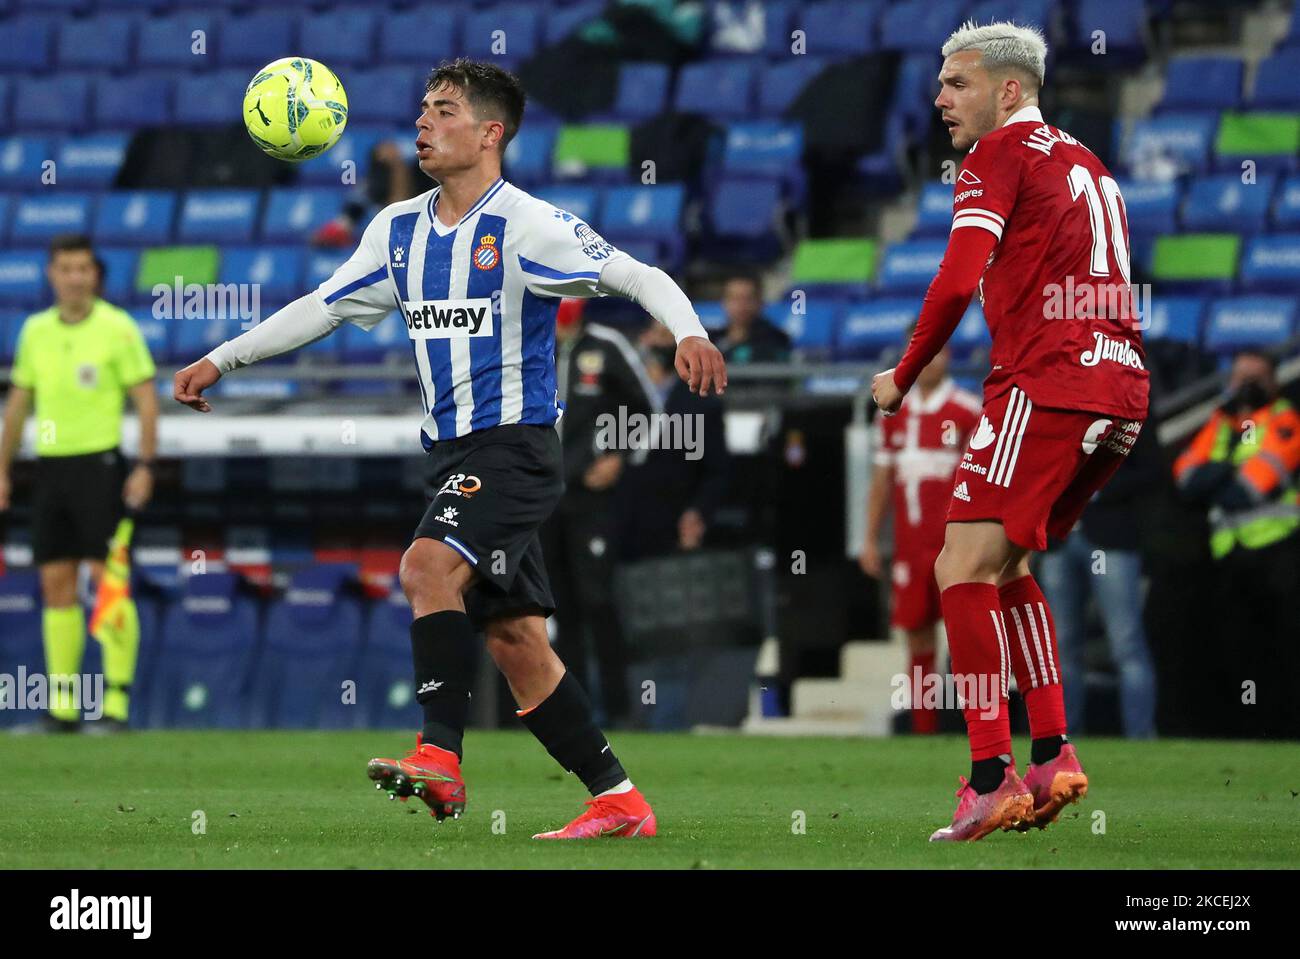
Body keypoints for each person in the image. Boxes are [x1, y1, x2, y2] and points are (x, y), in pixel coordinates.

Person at [173, 59, 727, 839]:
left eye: (443, 110)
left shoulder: (528, 225)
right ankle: (619, 799)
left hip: (515, 447)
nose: (423, 123)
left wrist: (693, 331)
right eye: (422, 108)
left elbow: (638, 275)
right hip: (450, 453)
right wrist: (221, 359)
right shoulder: (396, 229)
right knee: (516, 639)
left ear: (490, 132)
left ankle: (440, 752)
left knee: (424, 566)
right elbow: (320, 307)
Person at [871, 22, 1149, 841]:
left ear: (1010, 90)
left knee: (957, 563)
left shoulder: (998, 155)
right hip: (1118, 389)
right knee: (1004, 563)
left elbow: (958, 276)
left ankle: (991, 774)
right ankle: (1054, 750)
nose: (940, 98)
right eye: (939, 83)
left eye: (957, 82)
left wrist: (905, 373)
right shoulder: (1087, 162)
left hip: (1050, 381)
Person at [0, 233, 158, 734]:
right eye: (65, 268)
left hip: (100, 467)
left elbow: (147, 401)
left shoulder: (117, 328)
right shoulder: (35, 331)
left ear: (95, 275)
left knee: (107, 580)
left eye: (83, 268)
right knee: (55, 583)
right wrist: (2, 469)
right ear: (51, 274)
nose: (74, 277)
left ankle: (114, 704)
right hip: (50, 469)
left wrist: (145, 466)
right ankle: (63, 706)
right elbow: (18, 407)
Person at [542, 298, 659, 726]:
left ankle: (621, 708)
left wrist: (618, 455)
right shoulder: (528, 345)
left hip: (590, 496)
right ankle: (578, 712)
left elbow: (646, 408)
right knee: (559, 605)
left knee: (599, 599)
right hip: (543, 495)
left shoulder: (606, 346)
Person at [1172, 348, 1300, 737]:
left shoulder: (1285, 419)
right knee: (1239, 651)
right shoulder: (1222, 421)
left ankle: (1288, 729)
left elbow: (1250, 488)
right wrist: (1226, 471)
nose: (1245, 385)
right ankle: (1250, 732)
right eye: (1239, 375)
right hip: (1230, 555)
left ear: (1273, 382)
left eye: (1255, 377)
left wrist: (1217, 475)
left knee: (1286, 648)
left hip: (1278, 553)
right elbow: (1184, 478)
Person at [860, 343, 981, 734]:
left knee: (967, 636)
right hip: (910, 548)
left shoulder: (967, 410)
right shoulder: (894, 412)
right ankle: (924, 729)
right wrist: (869, 539)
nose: (931, 361)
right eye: (923, 353)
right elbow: (881, 483)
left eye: (939, 352)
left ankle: (978, 731)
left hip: (957, 547)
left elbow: (984, 481)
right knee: (917, 635)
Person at [1036, 419, 1161, 739]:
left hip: (1110, 535)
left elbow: (1152, 468)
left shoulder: (1130, 398)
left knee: (1126, 642)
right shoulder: (1059, 401)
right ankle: (1060, 742)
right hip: (1059, 537)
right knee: (1061, 647)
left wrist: (1095, 487)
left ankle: (1141, 738)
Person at [619, 320, 731, 560]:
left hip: (675, 522)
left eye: (671, 336)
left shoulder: (703, 402)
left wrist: (698, 512)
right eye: (659, 335)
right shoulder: (622, 396)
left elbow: (718, 470)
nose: (665, 343)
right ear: (645, 338)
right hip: (622, 522)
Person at [712, 273, 791, 364]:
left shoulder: (776, 340)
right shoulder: (711, 339)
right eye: (735, 299)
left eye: (748, 299)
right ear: (724, 302)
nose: (741, 305)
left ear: (760, 302)